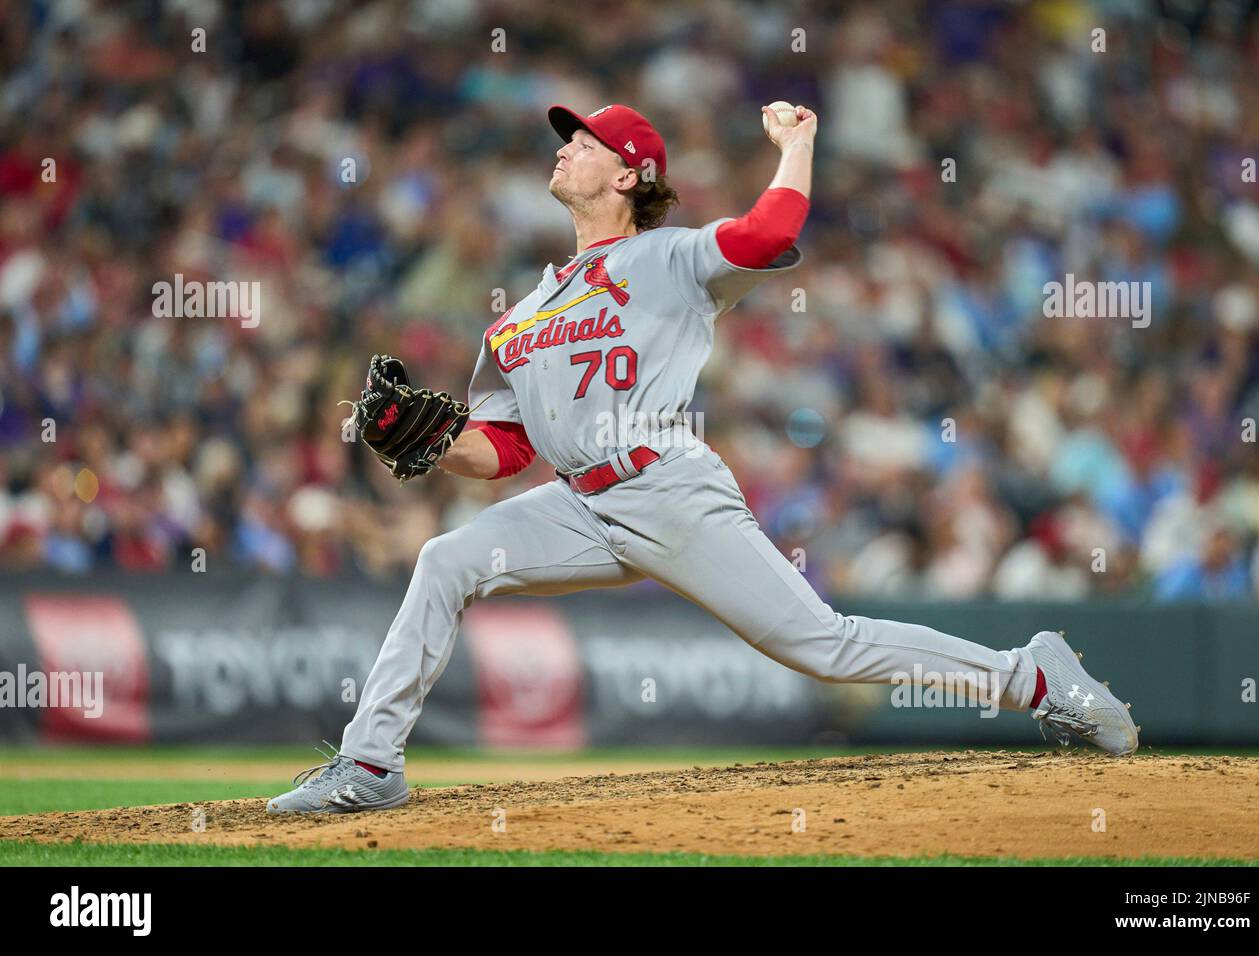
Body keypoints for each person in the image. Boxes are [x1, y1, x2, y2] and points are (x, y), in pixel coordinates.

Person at [268, 103, 1138, 814]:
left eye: (585, 142)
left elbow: (768, 234)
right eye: (567, 141)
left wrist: (797, 146)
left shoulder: (671, 258)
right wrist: (418, 440)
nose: (566, 151)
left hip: (666, 486)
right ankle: (372, 765)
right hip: (579, 505)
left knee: (822, 646)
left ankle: (1030, 676)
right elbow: (502, 452)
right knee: (446, 558)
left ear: (629, 174)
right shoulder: (522, 312)